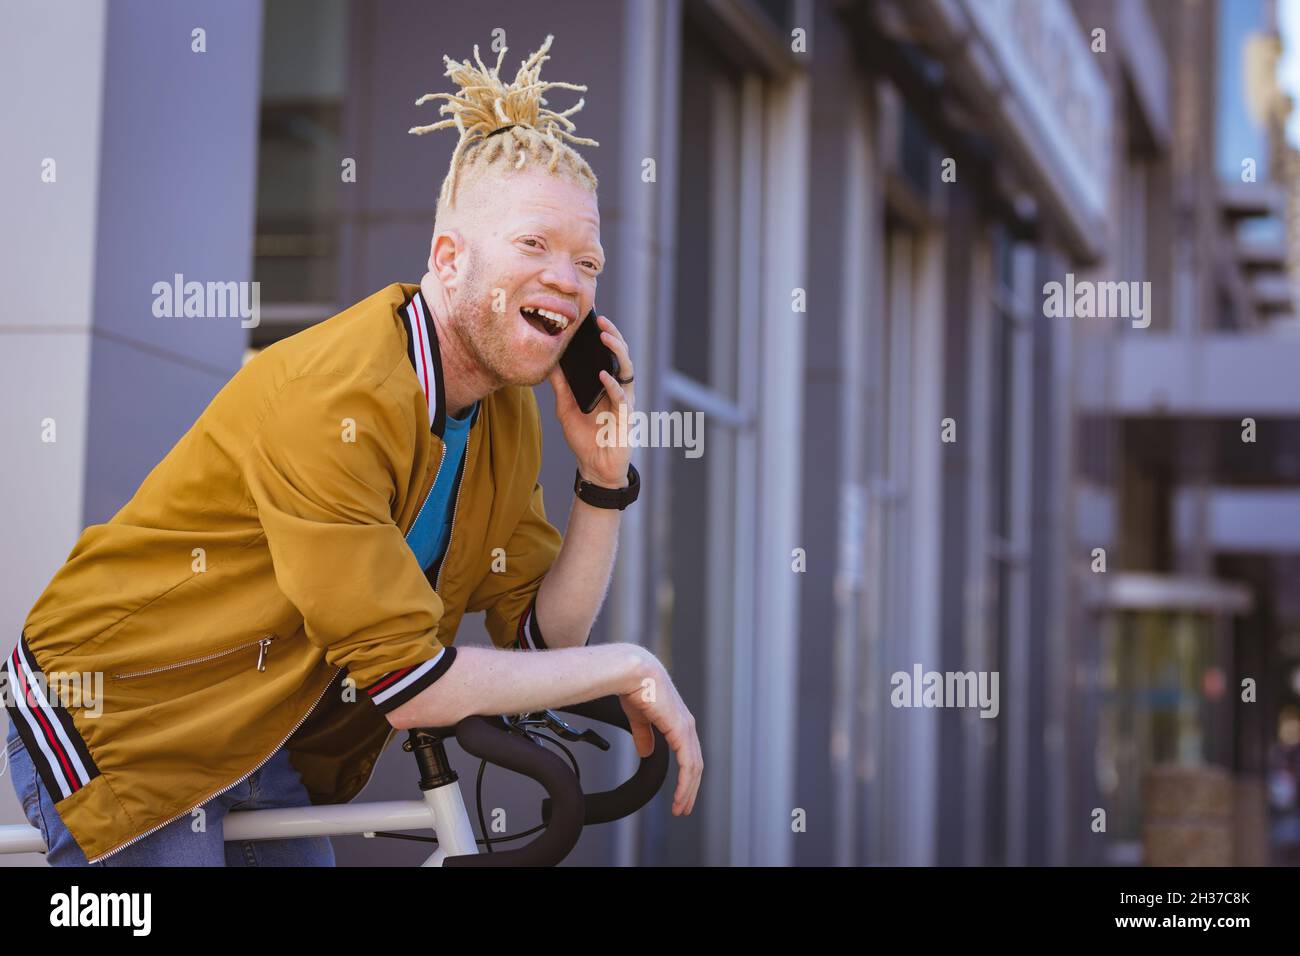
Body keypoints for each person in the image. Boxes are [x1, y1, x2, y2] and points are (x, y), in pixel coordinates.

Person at [2, 33, 701, 866]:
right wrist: (625, 665)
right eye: (533, 244)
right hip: (125, 713)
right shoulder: (338, 394)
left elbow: (537, 642)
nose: (569, 277)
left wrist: (602, 479)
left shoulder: (506, 414)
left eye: (587, 259)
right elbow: (414, 686)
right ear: (449, 258)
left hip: (262, 732)